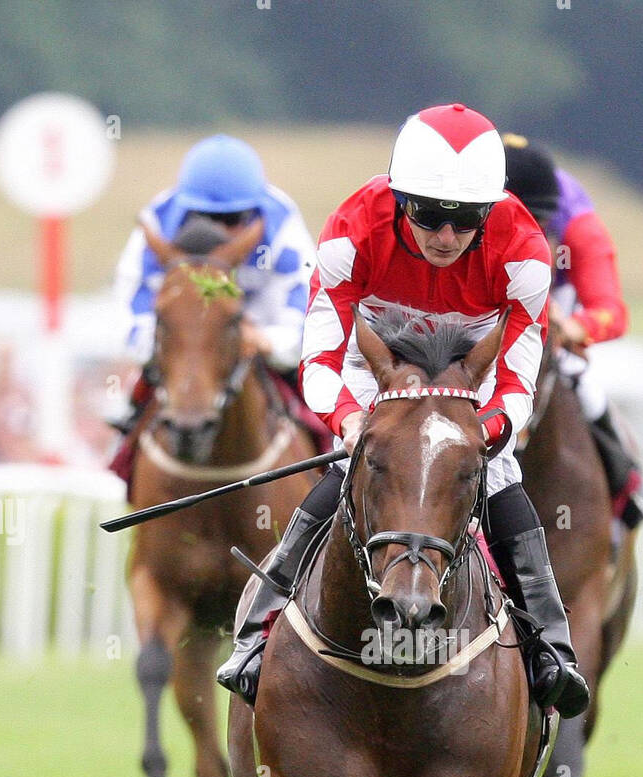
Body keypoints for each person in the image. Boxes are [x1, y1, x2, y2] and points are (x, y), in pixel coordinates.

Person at [218, 103, 589, 719]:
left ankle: (552, 645)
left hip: (474, 364)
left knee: (500, 474)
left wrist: (484, 432)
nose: (446, 236)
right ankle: (259, 630)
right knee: (355, 471)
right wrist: (350, 424)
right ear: (398, 200)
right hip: (377, 357)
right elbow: (320, 358)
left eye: (467, 219)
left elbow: (519, 383)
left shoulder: (523, 250)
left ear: (490, 211)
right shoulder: (350, 230)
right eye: (429, 215)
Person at [108, 134, 319, 484]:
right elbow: (131, 313)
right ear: (185, 208)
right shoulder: (157, 222)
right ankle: (123, 455)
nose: (220, 230)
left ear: (254, 209)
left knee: (316, 390)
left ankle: (334, 466)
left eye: (234, 218)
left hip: (261, 320)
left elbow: (307, 313)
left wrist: (268, 342)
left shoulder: (283, 228)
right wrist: (168, 346)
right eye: (205, 217)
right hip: (183, 330)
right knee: (137, 391)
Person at [502, 133, 643, 530]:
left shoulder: (579, 227)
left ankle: (627, 486)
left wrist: (570, 327)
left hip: (556, 303)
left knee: (583, 385)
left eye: (534, 231)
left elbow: (611, 312)